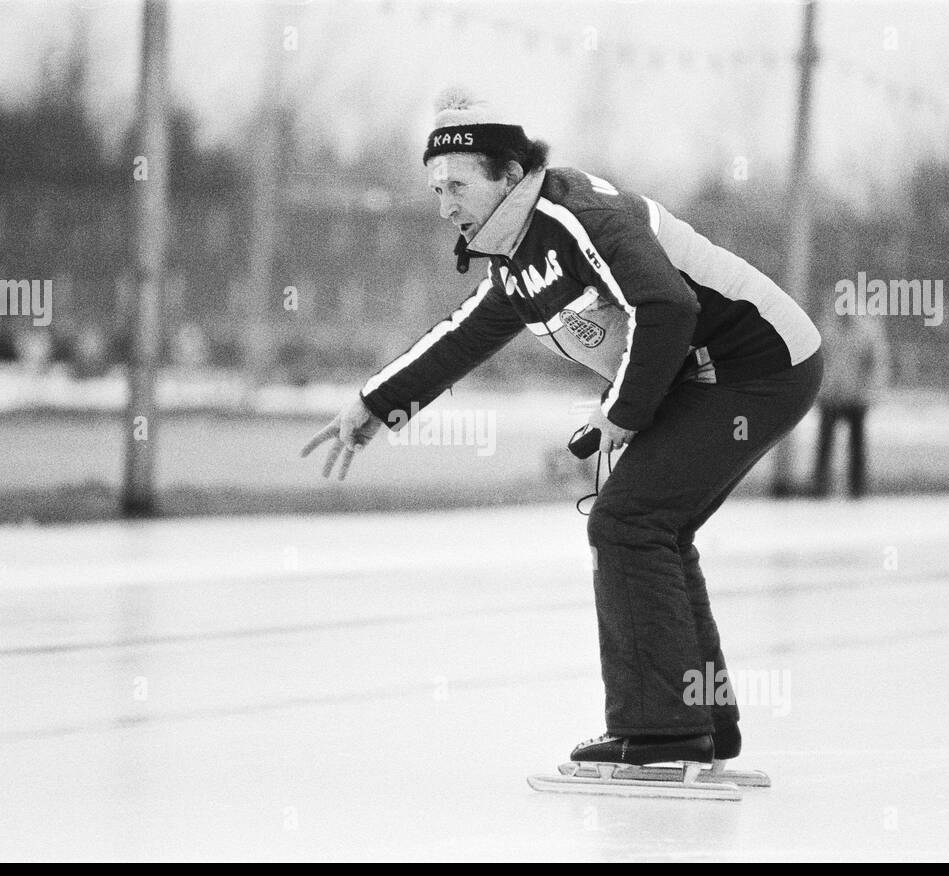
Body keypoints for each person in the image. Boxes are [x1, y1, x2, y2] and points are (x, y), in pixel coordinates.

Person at [301, 89, 823, 773]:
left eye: (457, 184)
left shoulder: (578, 216)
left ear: (508, 176)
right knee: (648, 524)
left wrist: (624, 413)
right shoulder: (517, 259)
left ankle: (664, 730)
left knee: (628, 520)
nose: (444, 203)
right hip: (707, 373)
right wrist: (376, 403)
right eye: (436, 188)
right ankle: (702, 720)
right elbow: (462, 338)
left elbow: (666, 305)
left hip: (758, 363)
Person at [810, 304, 890, 498]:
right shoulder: (826, 330)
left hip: (856, 396)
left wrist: (870, 391)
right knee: (825, 445)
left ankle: (858, 487)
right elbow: (818, 360)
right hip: (831, 395)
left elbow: (876, 364)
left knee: (856, 445)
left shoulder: (866, 332)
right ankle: (819, 486)